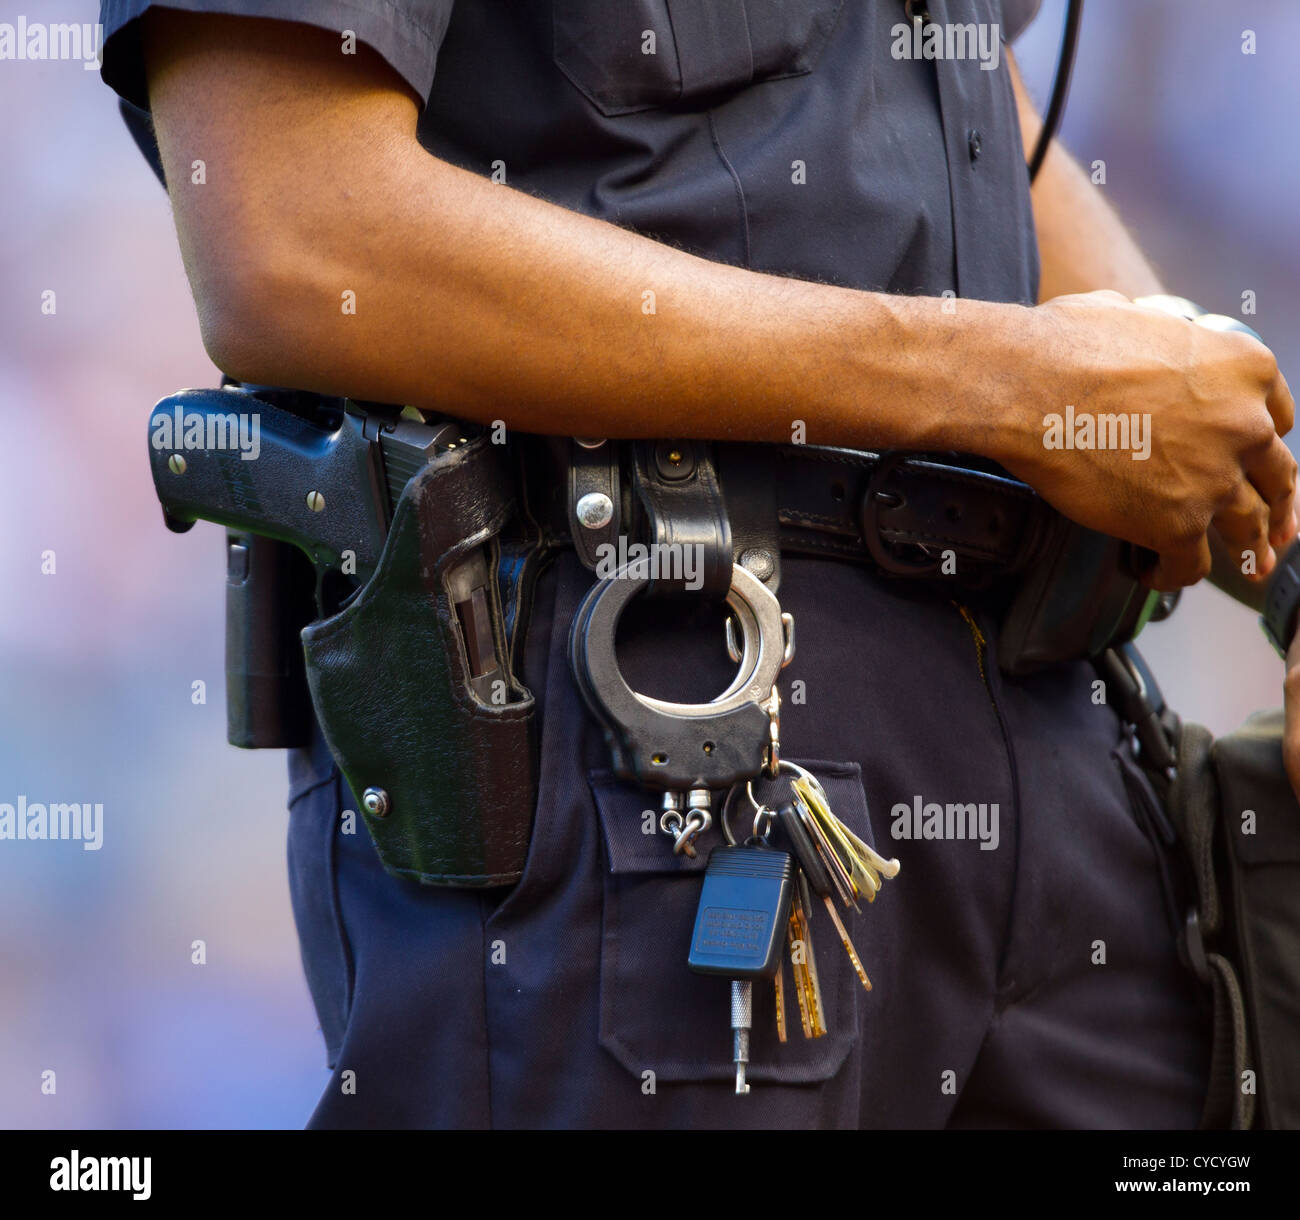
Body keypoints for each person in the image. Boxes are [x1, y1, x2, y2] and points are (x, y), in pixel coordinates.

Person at [100, 0, 1296, 1128]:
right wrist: (1007, 384)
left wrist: (1283, 562)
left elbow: (930, 104)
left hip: (1047, 742)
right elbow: (299, 233)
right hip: (636, 733)